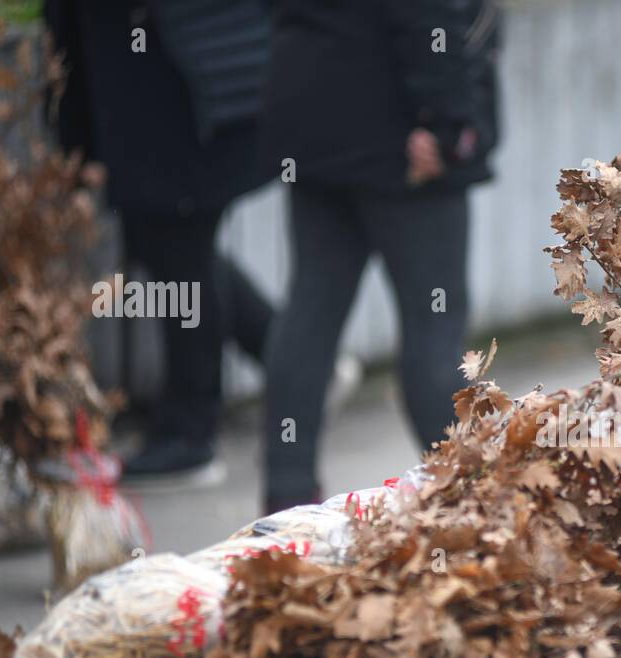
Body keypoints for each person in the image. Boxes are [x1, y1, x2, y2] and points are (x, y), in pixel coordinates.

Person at [259, 0, 500, 513]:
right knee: (433, 326)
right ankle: (470, 500)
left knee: (310, 310)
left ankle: (286, 505)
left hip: (313, 121)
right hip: (404, 136)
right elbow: (429, 15)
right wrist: (449, 126)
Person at [44, 0, 275, 484]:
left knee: (181, 256)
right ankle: (290, 356)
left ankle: (191, 433)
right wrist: (79, 138)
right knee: (172, 253)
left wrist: (79, 137)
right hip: (166, 103)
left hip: (186, 104)